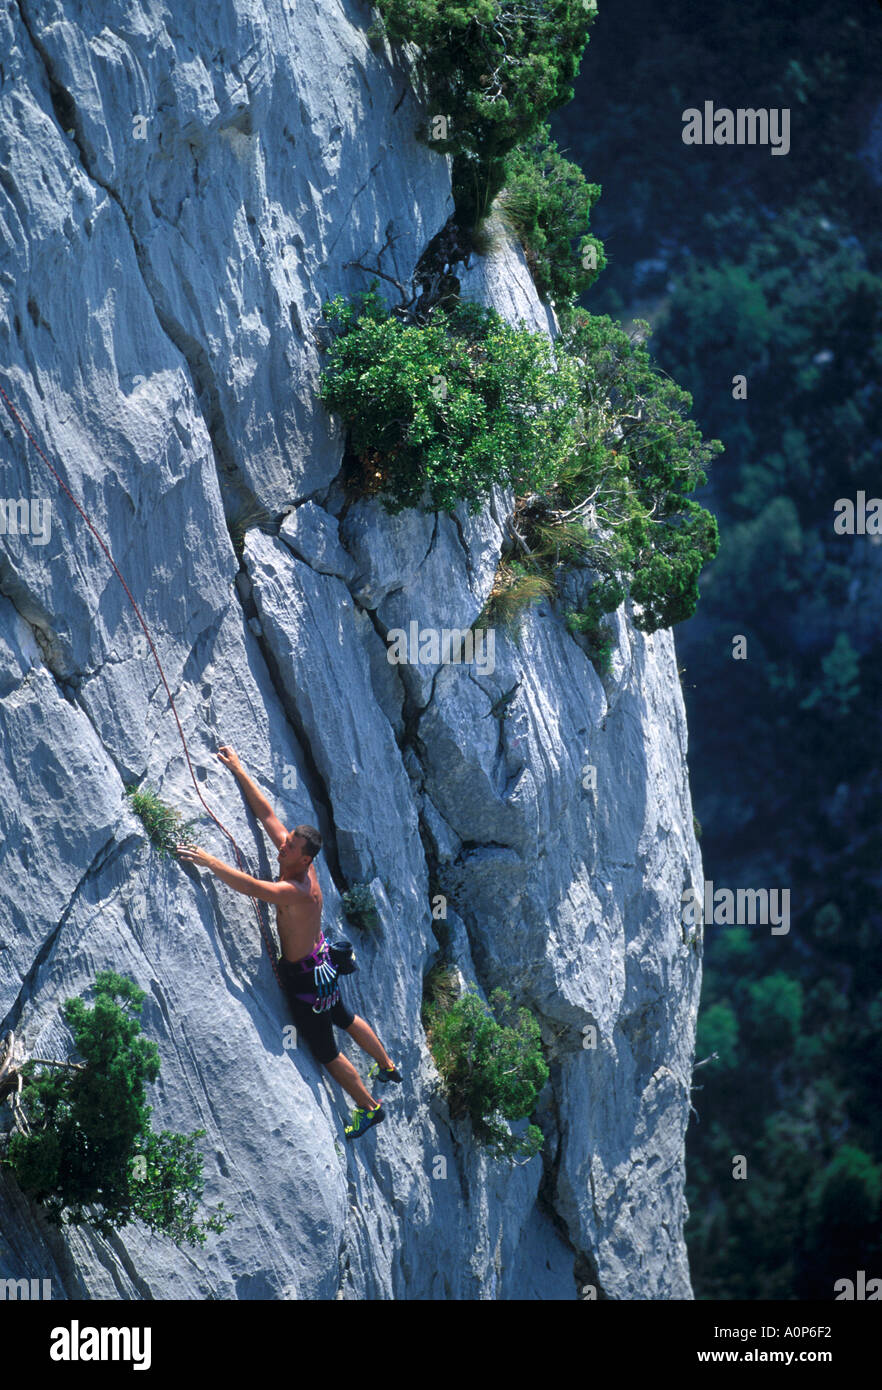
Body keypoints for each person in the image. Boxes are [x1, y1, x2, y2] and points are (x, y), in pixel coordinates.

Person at [176, 746, 400, 1139]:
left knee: (327, 1052)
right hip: (322, 963)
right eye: (287, 842)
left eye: (291, 848)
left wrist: (209, 861)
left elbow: (250, 887)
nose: (283, 847)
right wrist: (239, 769)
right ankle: (386, 1065)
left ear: (305, 861)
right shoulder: (298, 859)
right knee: (344, 1015)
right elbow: (266, 814)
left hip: (305, 982)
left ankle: (369, 1107)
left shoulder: (295, 888)